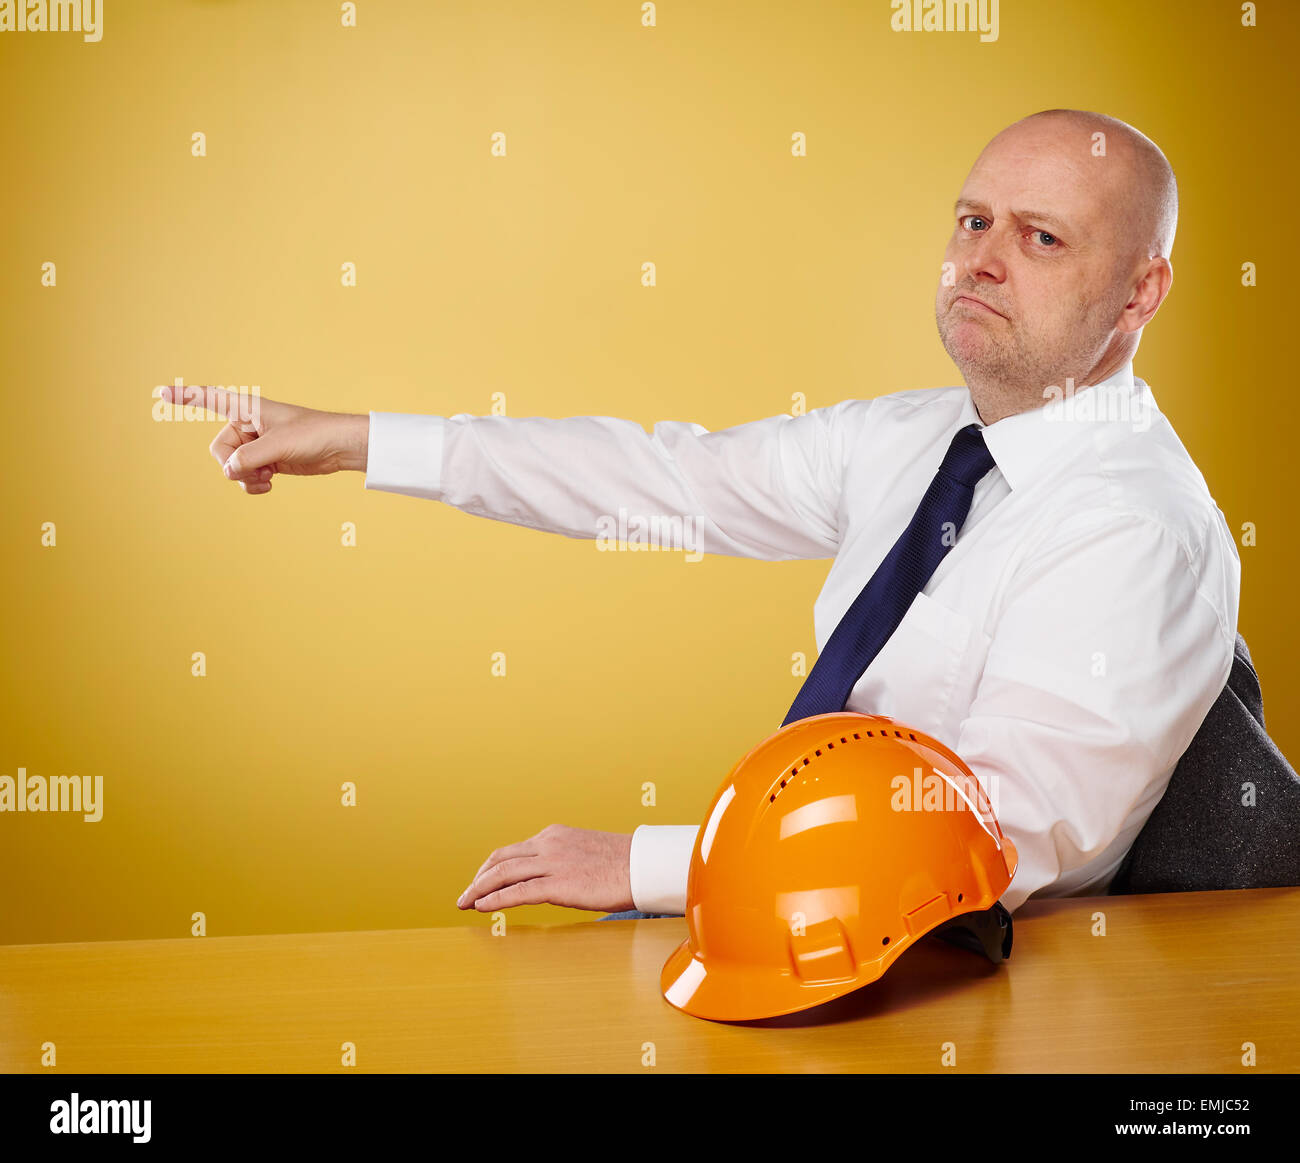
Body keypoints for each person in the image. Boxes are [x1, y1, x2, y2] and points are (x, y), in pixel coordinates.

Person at [162, 109, 1239, 923]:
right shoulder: (920, 438)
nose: (980, 258)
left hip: (978, 969)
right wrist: (359, 439)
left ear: (1140, 293)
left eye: (1041, 238)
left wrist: (647, 865)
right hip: (806, 918)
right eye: (972, 220)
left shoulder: (1133, 526)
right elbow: (665, 480)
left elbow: (986, 834)